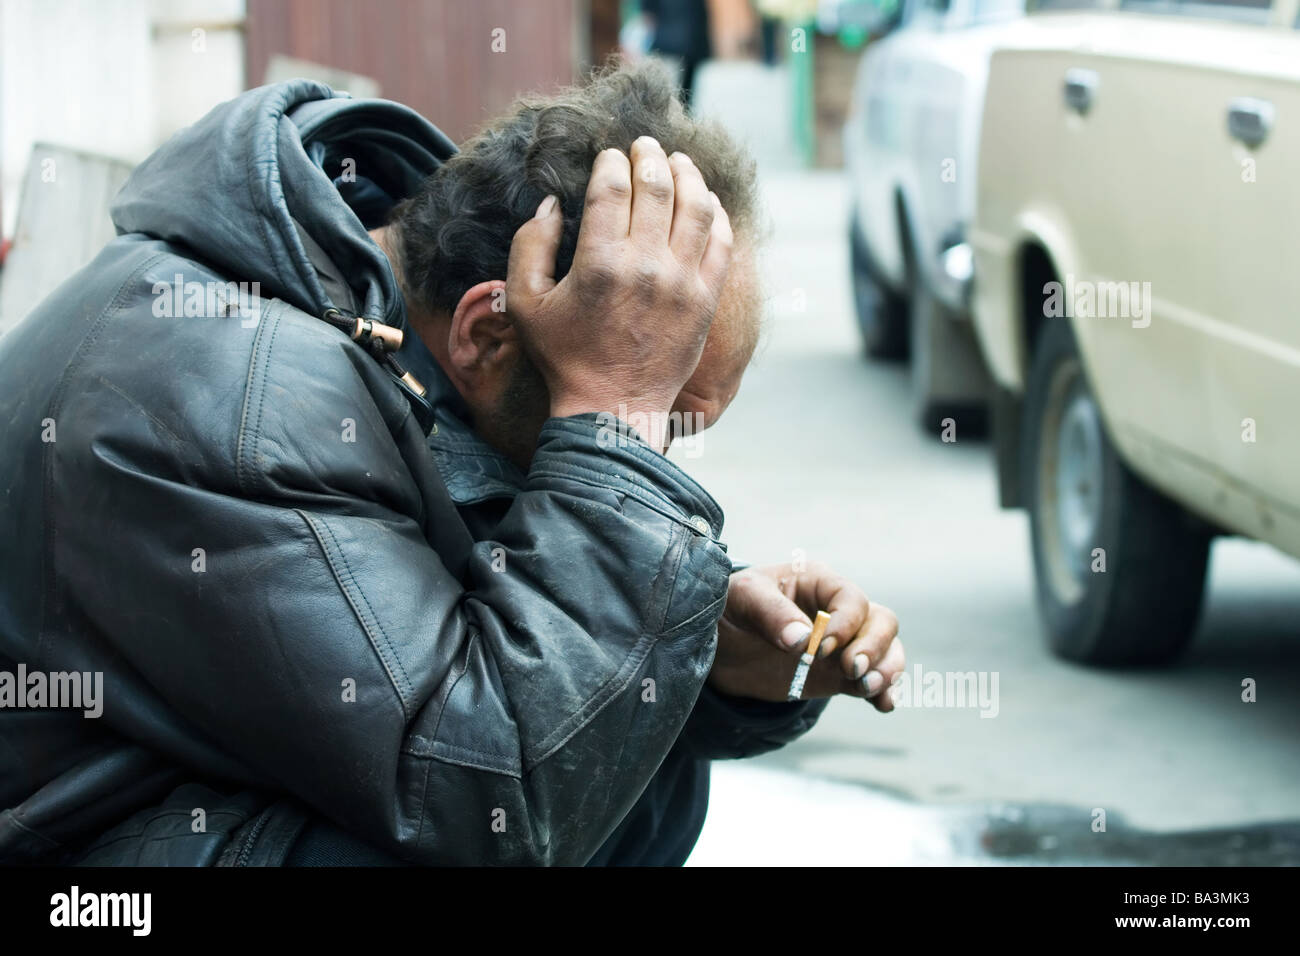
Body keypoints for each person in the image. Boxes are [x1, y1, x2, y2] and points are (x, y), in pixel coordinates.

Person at [0, 63, 902, 866]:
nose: (663, 445)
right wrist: (615, 419)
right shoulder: (242, 407)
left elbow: (469, 638)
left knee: (632, 776)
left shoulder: (382, 323)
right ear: (487, 333)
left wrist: (710, 660)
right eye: (659, 414)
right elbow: (486, 795)